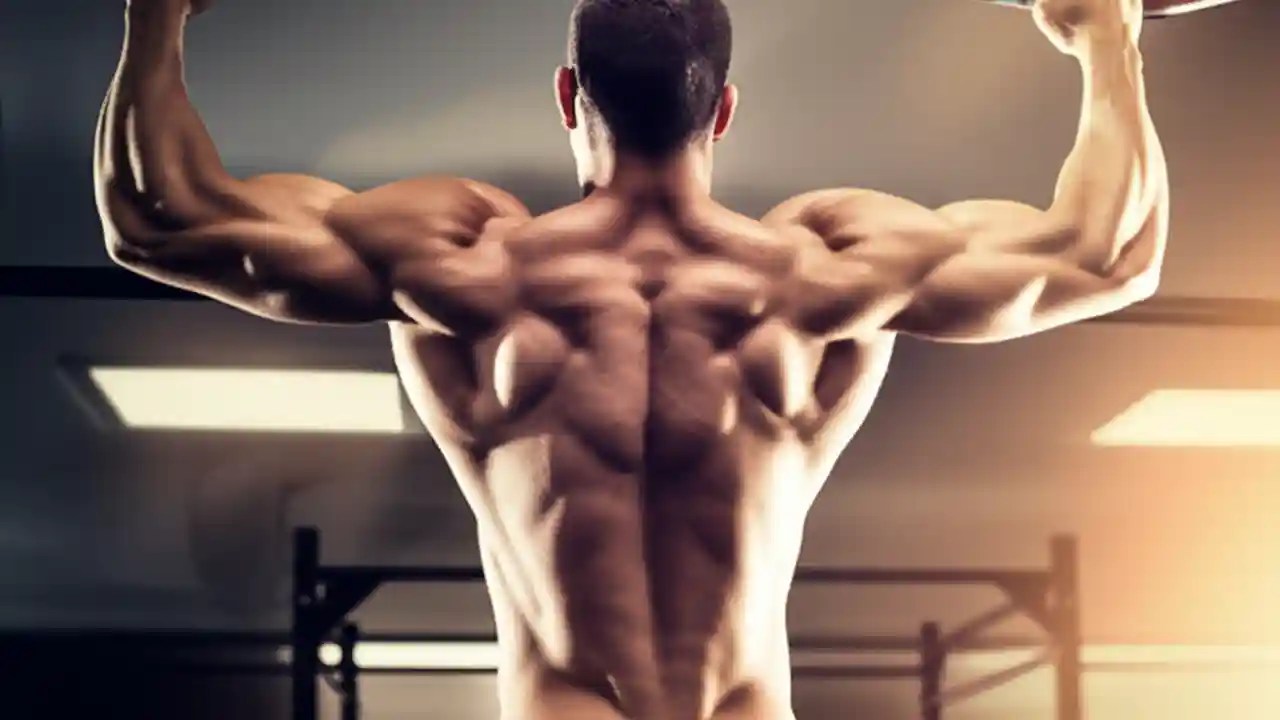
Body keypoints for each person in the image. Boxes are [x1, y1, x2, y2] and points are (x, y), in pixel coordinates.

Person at [95, 0, 1167, 718]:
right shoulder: (823, 272)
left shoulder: (467, 264)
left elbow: (152, 216)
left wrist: (158, 15)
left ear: (570, 97)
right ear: (724, 111)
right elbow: (1109, 256)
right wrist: (1103, 35)